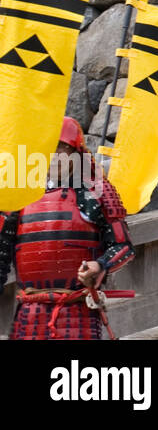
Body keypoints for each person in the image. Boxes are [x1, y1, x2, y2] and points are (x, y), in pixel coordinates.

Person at [0, 118, 134, 340]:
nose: (54, 156)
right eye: (47, 148)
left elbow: (123, 247)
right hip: (29, 312)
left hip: (77, 310)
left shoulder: (97, 191)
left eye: (61, 148)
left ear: (75, 152)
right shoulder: (17, 193)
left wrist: (100, 265)